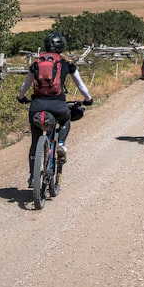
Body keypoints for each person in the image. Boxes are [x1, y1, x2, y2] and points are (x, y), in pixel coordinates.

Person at [17, 32, 93, 187]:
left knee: (34, 141)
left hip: (37, 106)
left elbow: (25, 86)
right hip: (58, 105)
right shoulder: (66, 64)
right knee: (66, 120)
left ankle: (33, 176)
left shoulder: (36, 64)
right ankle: (61, 144)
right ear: (61, 47)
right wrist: (88, 99)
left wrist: (21, 97)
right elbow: (80, 84)